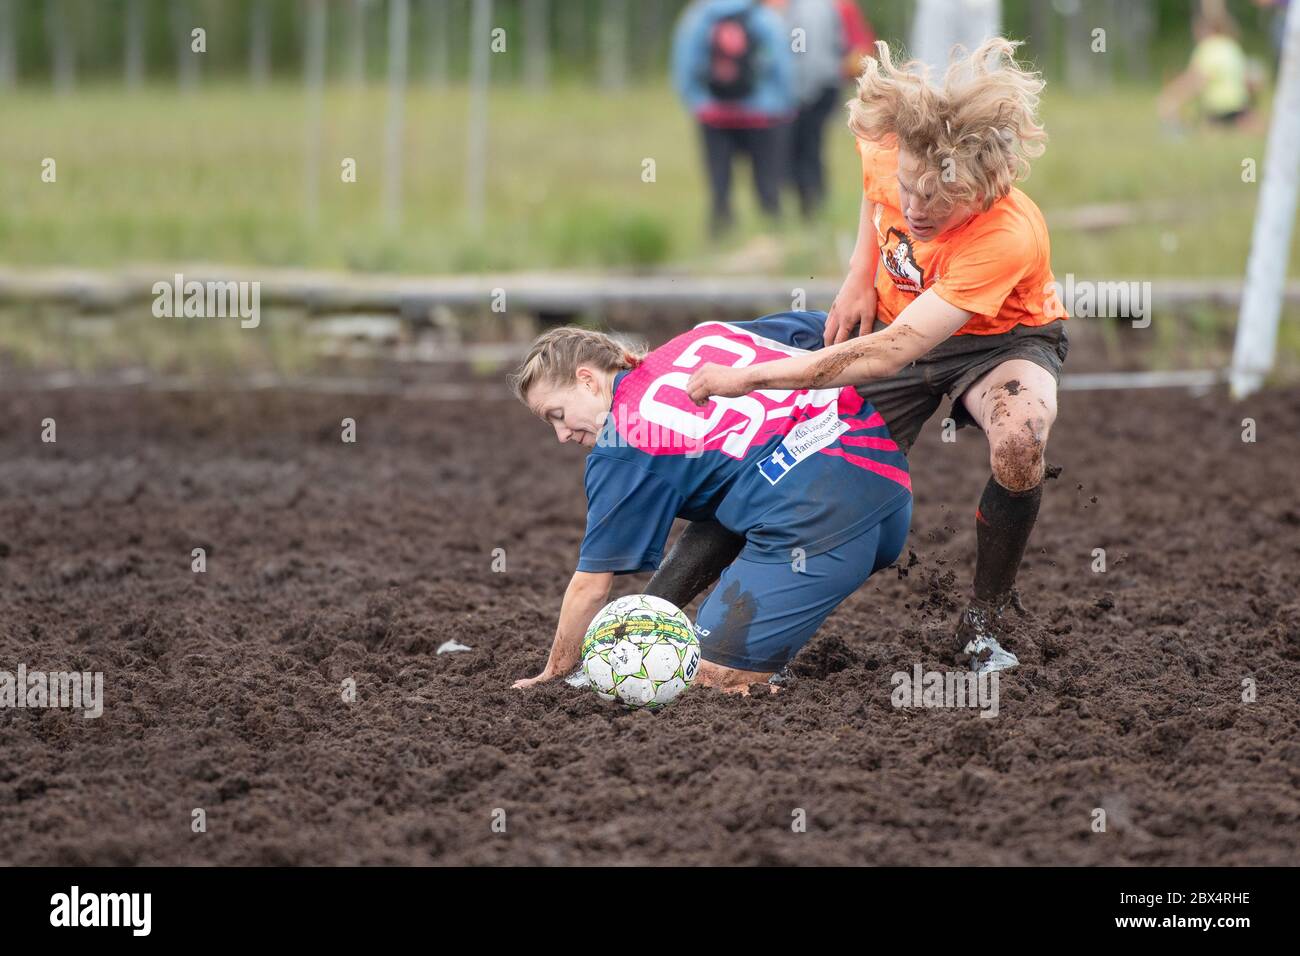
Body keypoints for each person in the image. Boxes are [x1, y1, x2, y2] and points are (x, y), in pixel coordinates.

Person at [670, 38, 1069, 674]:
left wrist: (751, 378)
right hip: (896, 314)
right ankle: (649, 611)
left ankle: (982, 624)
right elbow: (876, 193)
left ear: (982, 188)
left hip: (997, 339)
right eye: (909, 189)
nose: (914, 209)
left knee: (1021, 440)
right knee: (784, 461)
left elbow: (893, 352)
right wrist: (859, 272)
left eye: (937, 200)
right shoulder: (893, 149)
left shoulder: (1007, 234)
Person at [508, 312, 912, 694]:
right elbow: (836, 331)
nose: (561, 435)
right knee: (736, 503)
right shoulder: (704, 336)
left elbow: (591, 586)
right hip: (889, 488)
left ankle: (764, 682)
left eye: (557, 414)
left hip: (818, 526)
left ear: (587, 380)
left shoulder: (621, 445)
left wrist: (556, 673)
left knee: (700, 681)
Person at [671, 0, 796, 237]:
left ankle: (720, 236)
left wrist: (698, 103)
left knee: (719, 187)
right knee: (768, 185)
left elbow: (684, 65)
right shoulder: (764, 17)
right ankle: (775, 237)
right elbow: (782, 66)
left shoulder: (697, 17)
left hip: (714, 117)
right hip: (763, 116)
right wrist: (784, 104)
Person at [782, 0, 848, 219]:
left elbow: (803, 54)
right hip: (827, 82)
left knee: (803, 149)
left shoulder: (802, 10)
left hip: (810, 88)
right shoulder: (826, 6)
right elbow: (839, 44)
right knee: (813, 146)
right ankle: (815, 202)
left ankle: (809, 204)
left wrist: (800, 94)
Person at [1159, 3, 1263, 130]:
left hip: (1218, 110)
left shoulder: (1208, 48)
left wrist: (1171, 98)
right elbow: (1249, 81)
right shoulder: (1233, 46)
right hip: (1240, 107)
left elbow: (1196, 81)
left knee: (1197, 126)